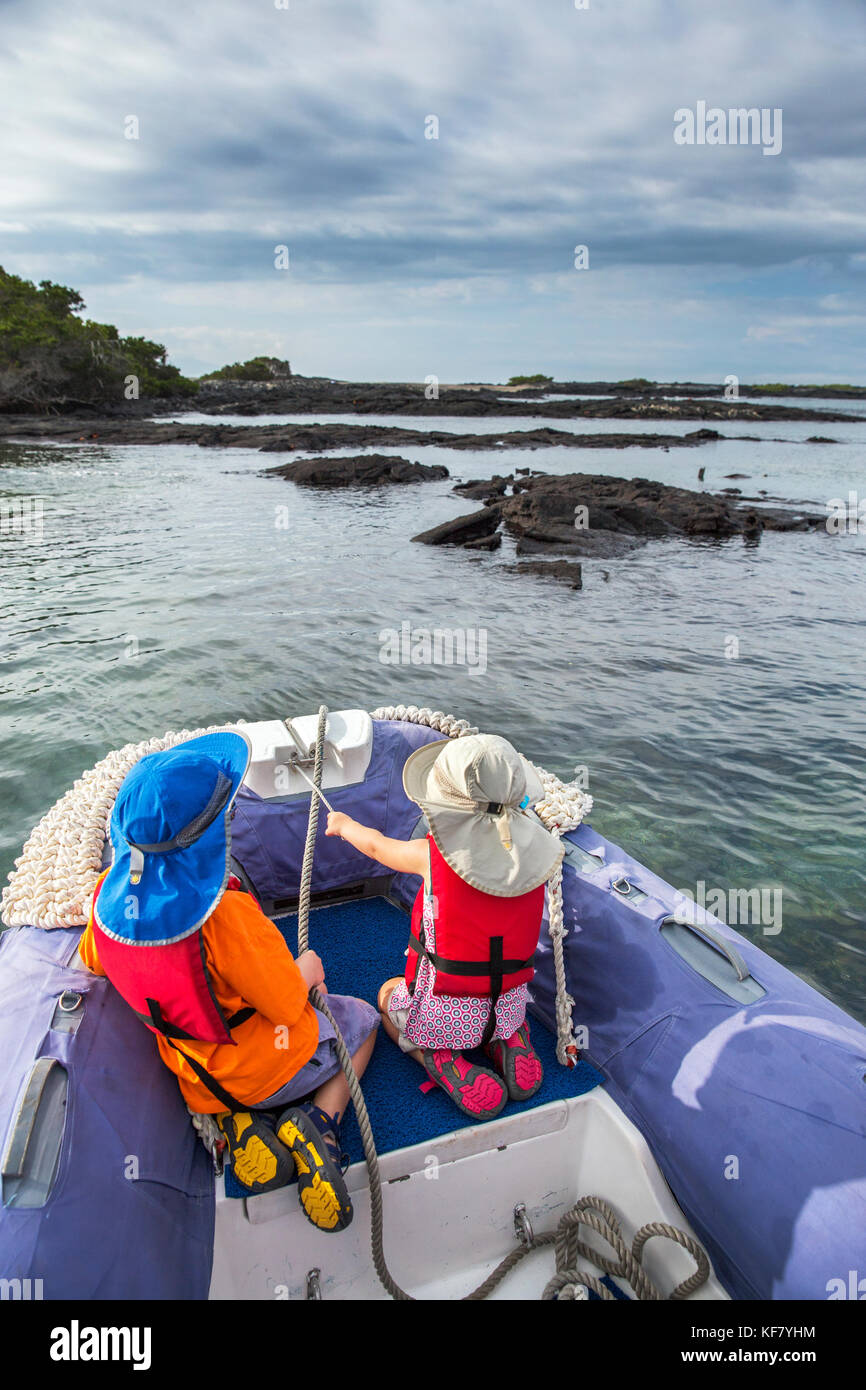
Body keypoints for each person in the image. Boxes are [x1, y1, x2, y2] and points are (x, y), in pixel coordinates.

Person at [77, 729, 379, 1232]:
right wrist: (310, 969)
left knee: (225, 1073)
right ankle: (321, 1125)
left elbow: (93, 960)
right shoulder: (226, 917)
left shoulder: (108, 910)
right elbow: (286, 1004)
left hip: (199, 1081)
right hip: (273, 1066)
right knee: (362, 1023)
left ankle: (236, 1125)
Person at [325, 733, 563, 1120]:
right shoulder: (537, 858)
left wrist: (345, 824)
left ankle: (440, 1059)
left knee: (387, 996)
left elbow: (376, 846)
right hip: (508, 1006)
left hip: (445, 1018)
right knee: (498, 1002)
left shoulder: (431, 858)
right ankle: (509, 1040)